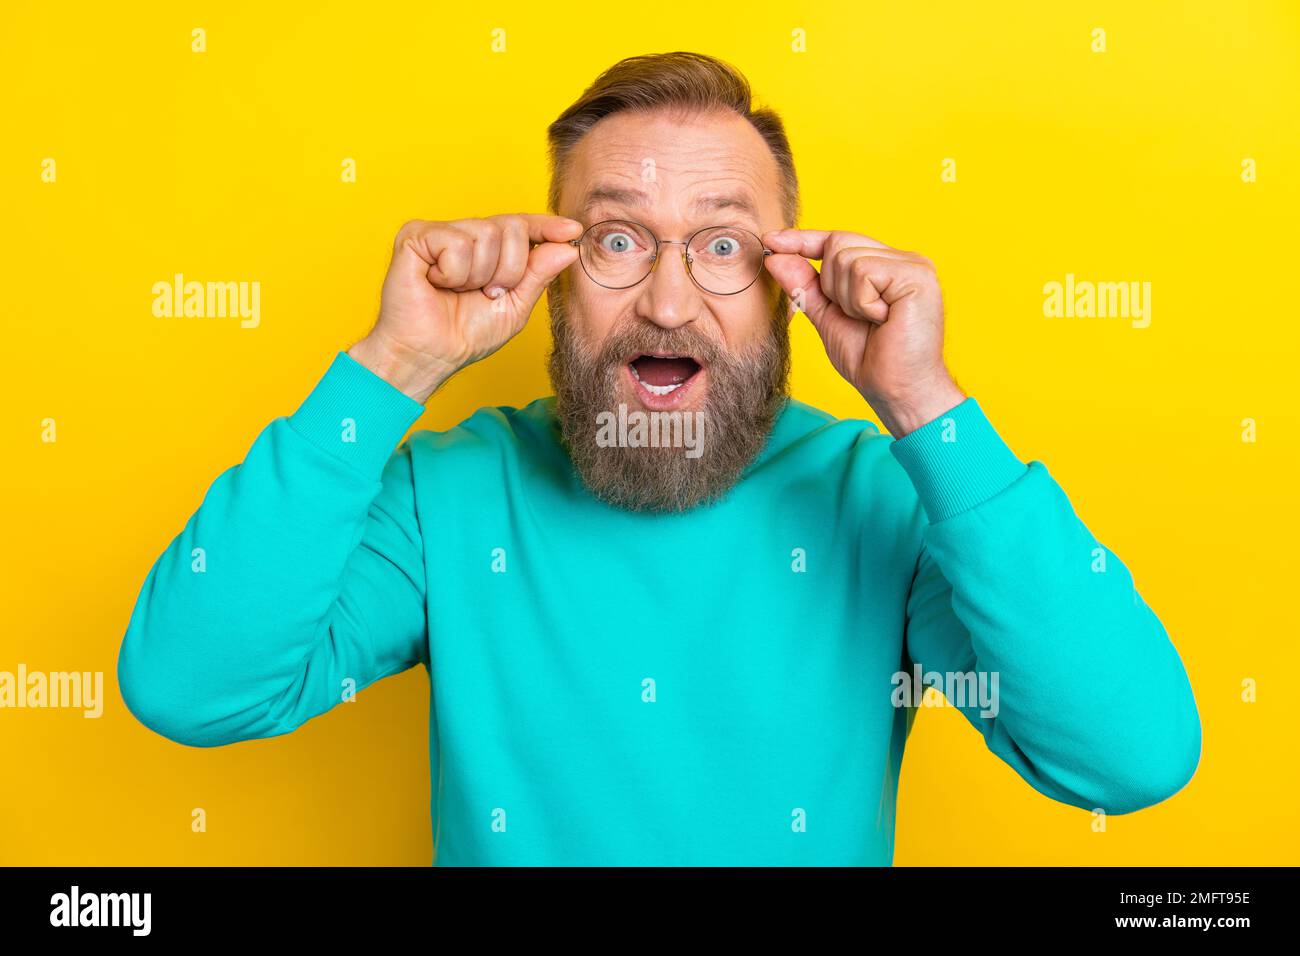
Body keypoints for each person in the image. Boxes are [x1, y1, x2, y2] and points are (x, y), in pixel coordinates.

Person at [117, 51, 1201, 866]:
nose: (669, 300)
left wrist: (925, 403)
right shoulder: (449, 491)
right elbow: (189, 686)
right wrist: (391, 361)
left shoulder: (885, 503)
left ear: (790, 282)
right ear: (553, 271)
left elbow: (1129, 755)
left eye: (723, 245)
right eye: (618, 240)